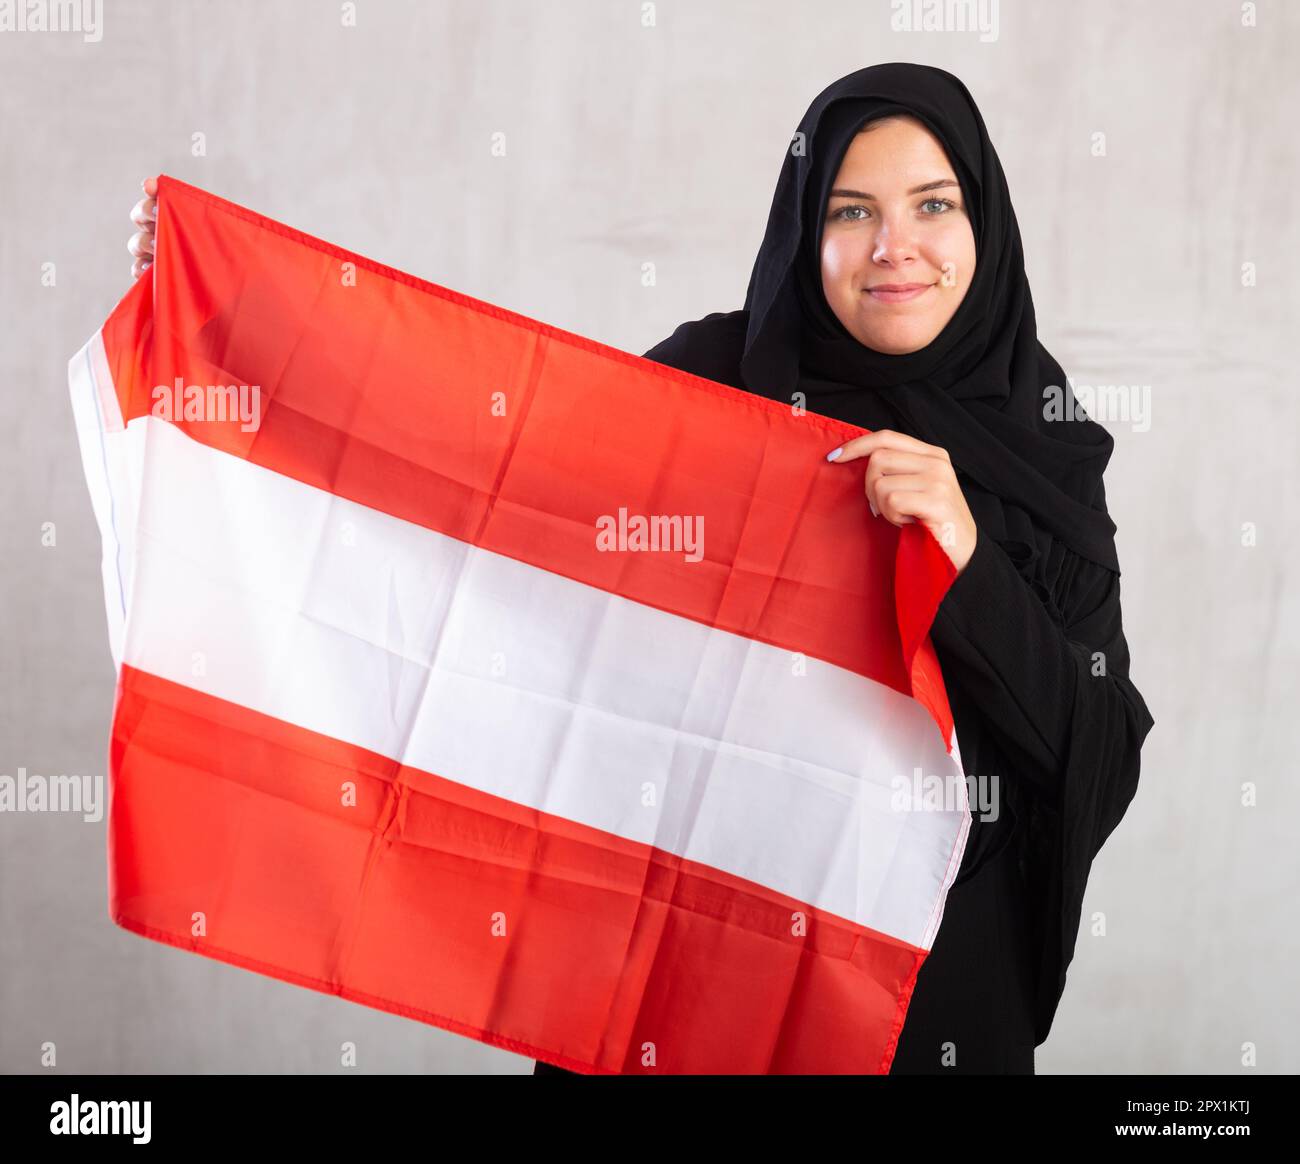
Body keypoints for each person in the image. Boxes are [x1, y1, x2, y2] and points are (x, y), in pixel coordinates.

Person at [126, 63, 1157, 1074]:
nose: (894, 248)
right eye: (849, 212)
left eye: (932, 204)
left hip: (930, 1001)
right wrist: (228, 317)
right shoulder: (712, 389)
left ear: (984, 220)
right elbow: (475, 474)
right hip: (686, 973)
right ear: (803, 230)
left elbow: (1095, 760)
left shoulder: (1044, 452)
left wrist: (965, 556)